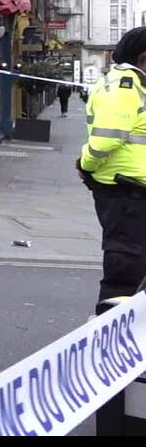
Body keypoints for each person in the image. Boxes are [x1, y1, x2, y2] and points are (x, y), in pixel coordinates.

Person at [76, 26, 146, 305]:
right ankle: (109, 340)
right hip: (125, 193)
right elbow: (105, 140)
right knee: (124, 272)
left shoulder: (133, 85)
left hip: (133, 192)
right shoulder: (122, 88)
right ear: (143, 58)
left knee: (135, 269)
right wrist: (86, 164)